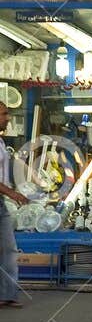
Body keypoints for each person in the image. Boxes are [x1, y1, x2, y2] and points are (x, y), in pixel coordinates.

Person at [0, 104, 29, 307]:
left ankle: (7, 294)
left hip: (1, 203)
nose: (8, 118)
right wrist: (12, 193)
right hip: (4, 197)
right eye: (3, 114)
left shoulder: (1, 142)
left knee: (9, 249)